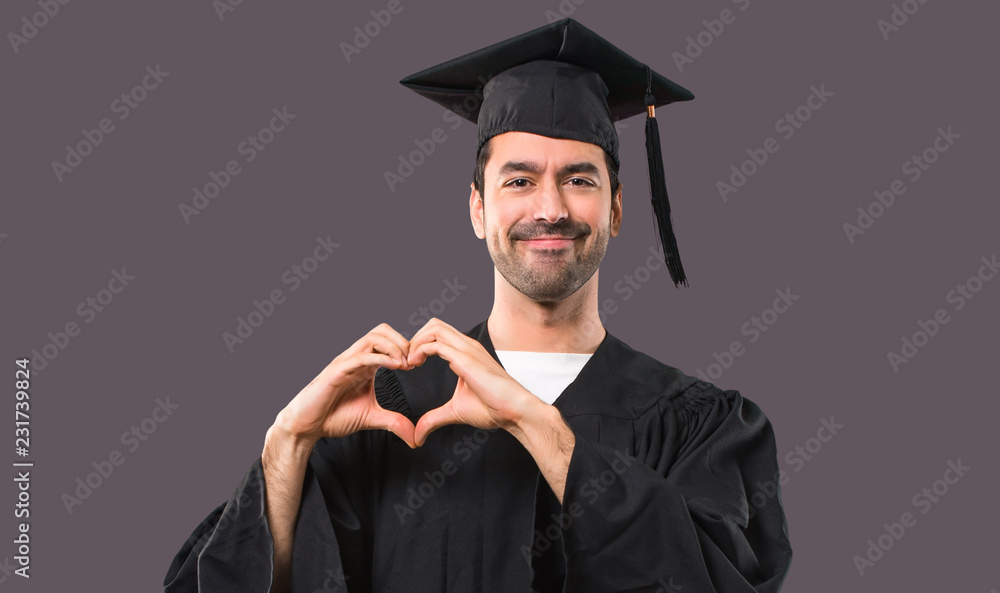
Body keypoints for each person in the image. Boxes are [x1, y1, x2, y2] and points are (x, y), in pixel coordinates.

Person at [164, 17, 792, 593]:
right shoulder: (390, 413)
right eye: (519, 180)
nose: (550, 208)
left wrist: (539, 427)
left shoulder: (700, 427)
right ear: (477, 208)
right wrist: (286, 444)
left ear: (617, 209)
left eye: (579, 179)